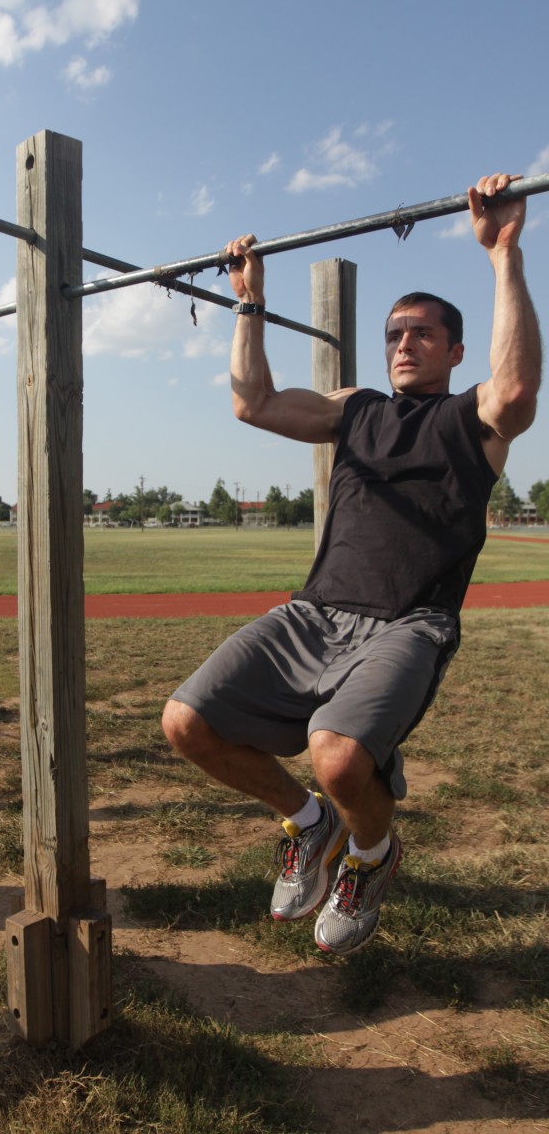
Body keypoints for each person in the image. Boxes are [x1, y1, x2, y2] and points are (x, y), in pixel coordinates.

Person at [163, 172, 541, 955]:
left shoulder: (471, 422)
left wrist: (504, 250)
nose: (403, 343)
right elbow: (253, 402)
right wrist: (248, 301)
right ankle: (309, 824)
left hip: (409, 624)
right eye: (395, 333)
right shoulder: (357, 409)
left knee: (337, 760)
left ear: (454, 350)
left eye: (422, 334)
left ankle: (370, 854)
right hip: (314, 614)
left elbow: (515, 390)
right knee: (187, 722)